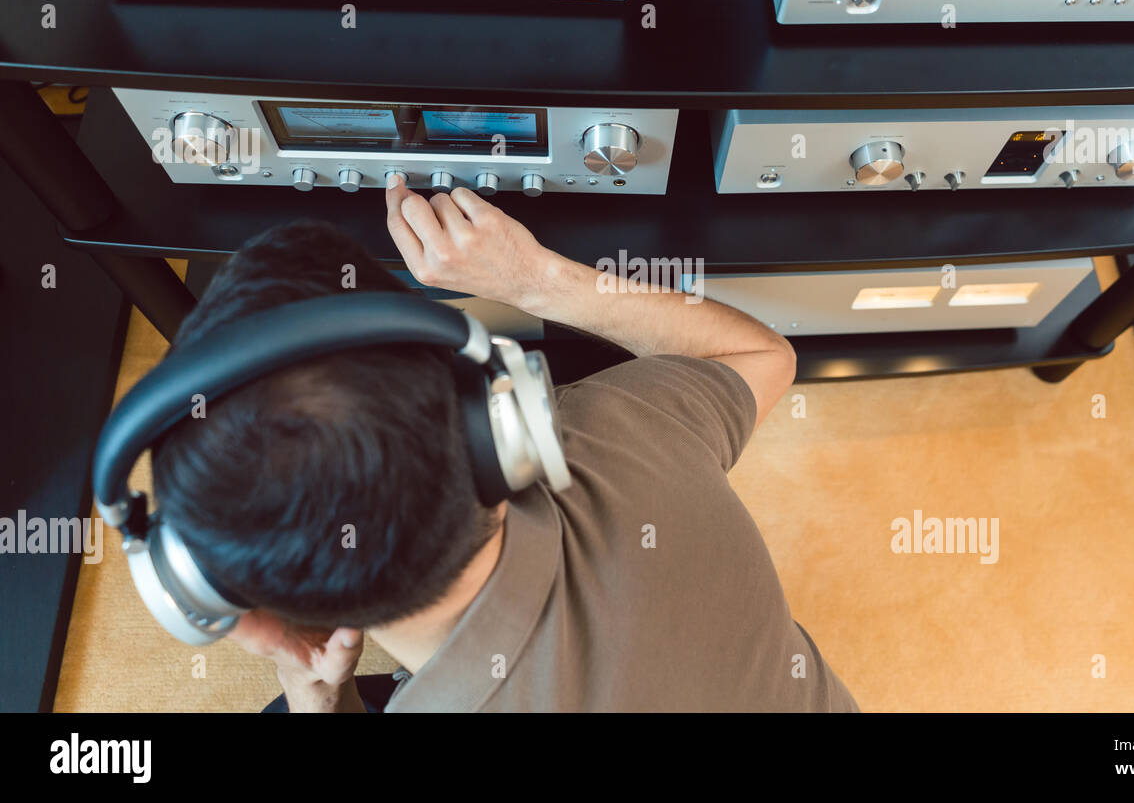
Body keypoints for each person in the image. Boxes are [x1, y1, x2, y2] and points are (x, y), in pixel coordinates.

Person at [150, 175, 859, 711]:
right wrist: (537, 278)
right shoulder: (627, 434)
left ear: (245, 611)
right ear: (498, 413)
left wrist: (314, 698)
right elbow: (766, 357)